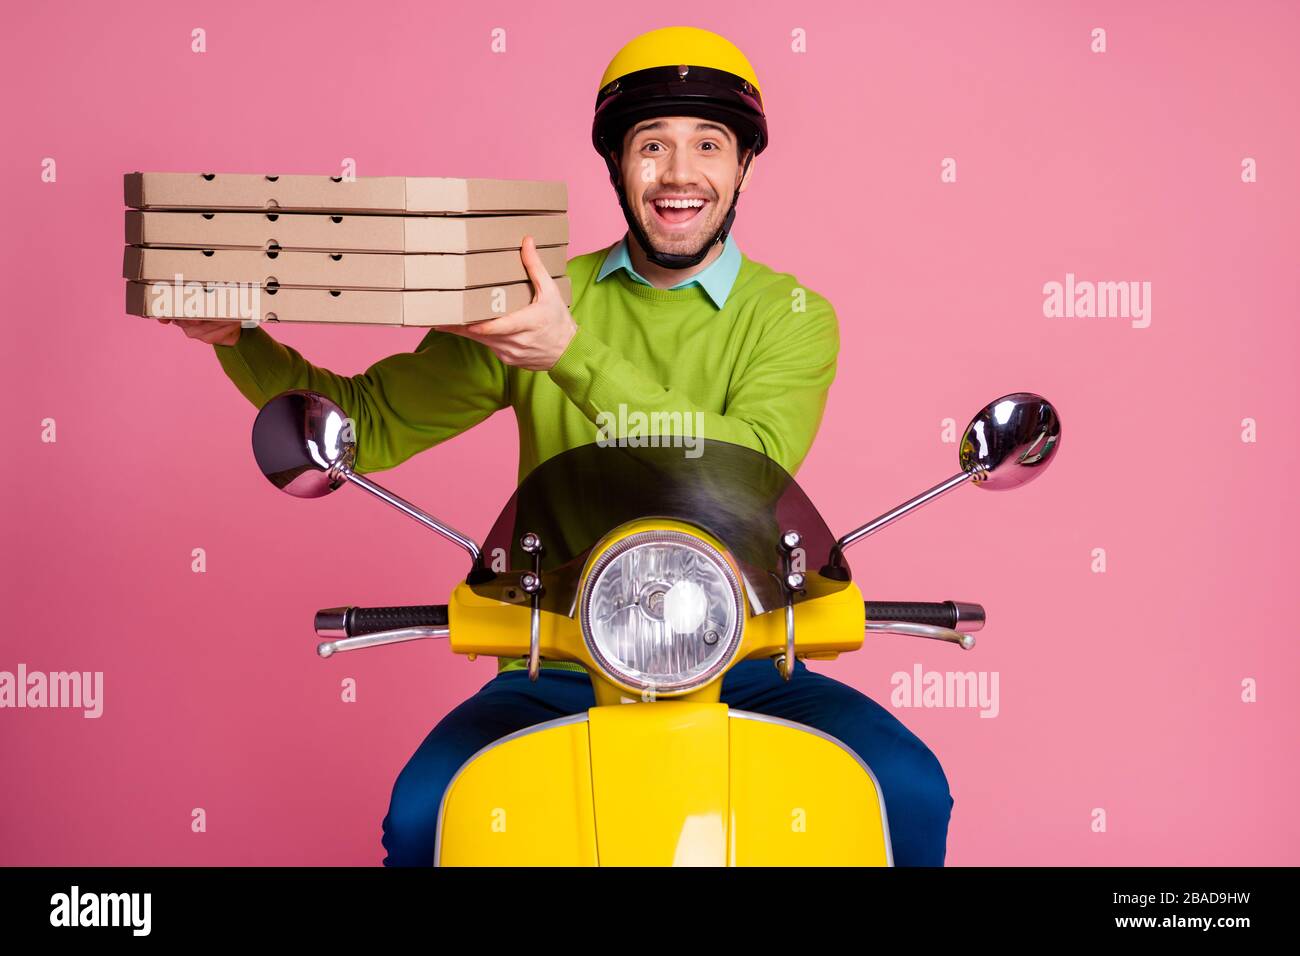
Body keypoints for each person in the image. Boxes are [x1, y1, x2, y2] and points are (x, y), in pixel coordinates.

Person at [165, 26, 954, 866]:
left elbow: (746, 463)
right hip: (560, 657)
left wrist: (567, 353)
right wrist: (237, 337)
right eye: (651, 145)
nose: (680, 173)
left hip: (750, 654)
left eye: (709, 145)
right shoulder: (535, 297)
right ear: (616, 165)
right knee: (421, 816)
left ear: (744, 167)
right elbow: (370, 421)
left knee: (906, 791)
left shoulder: (791, 317)